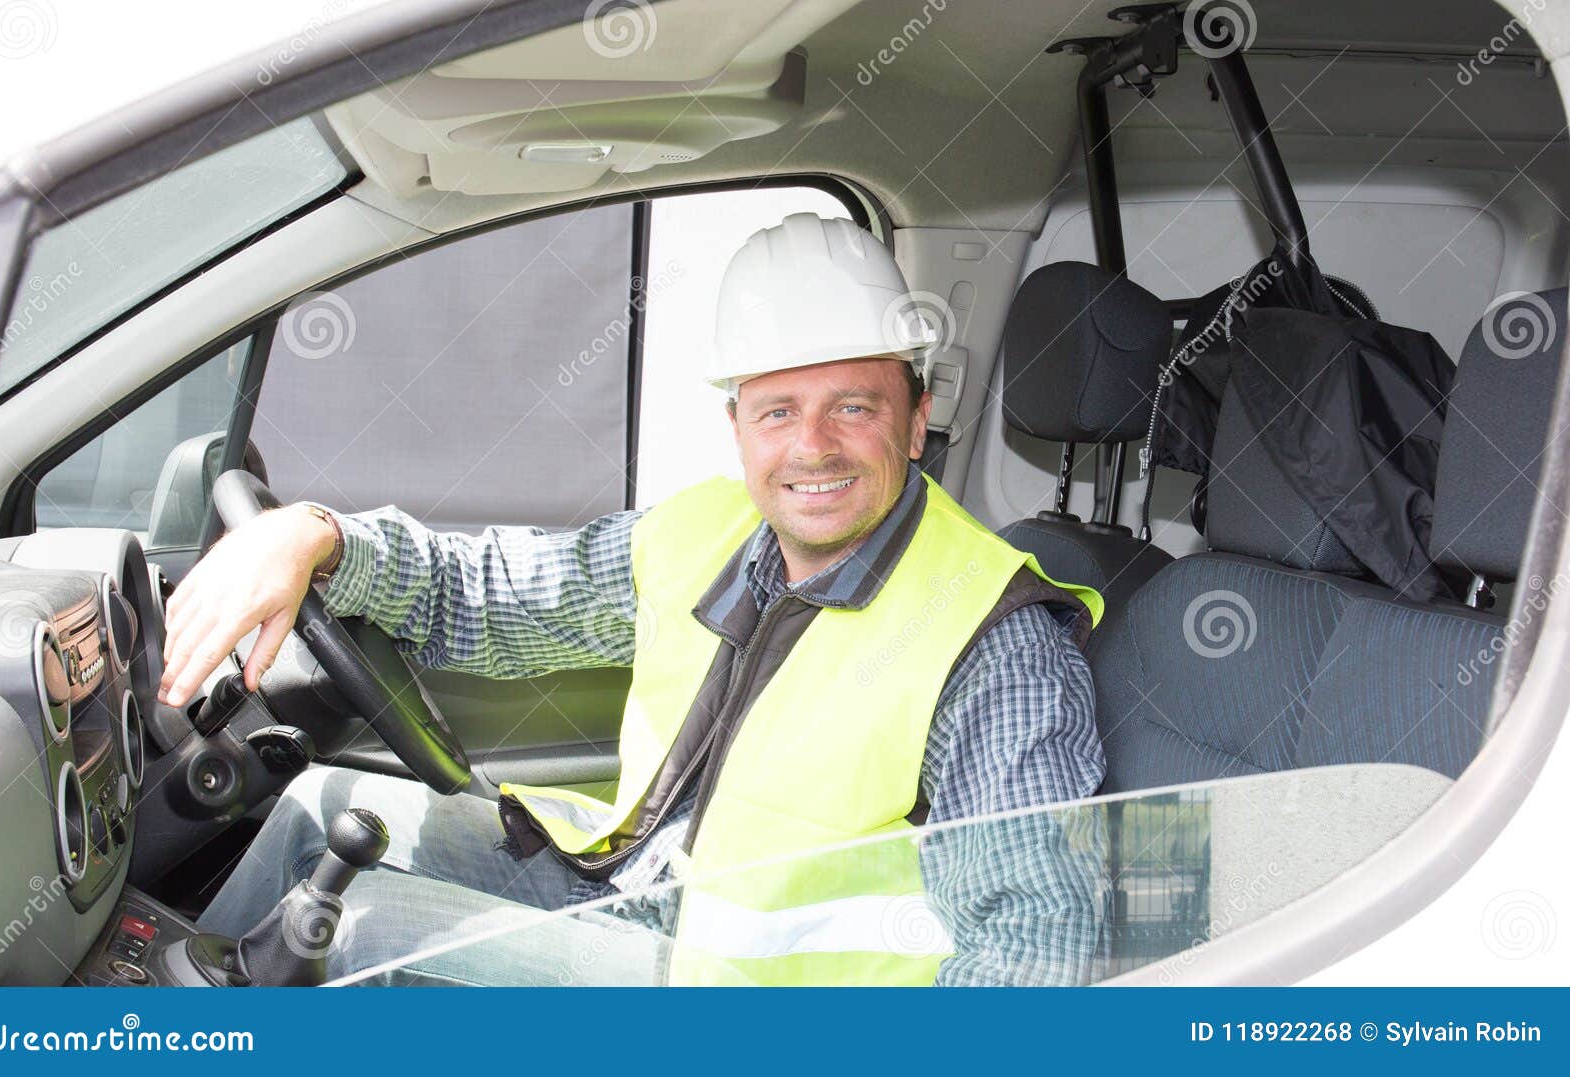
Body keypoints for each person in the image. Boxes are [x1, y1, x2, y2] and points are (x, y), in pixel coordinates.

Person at [168, 213, 1107, 985]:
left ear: (914, 420)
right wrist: (320, 536)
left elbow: (1035, 957)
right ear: (736, 425)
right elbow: (491, 593)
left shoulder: (997, 645)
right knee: (317, 802)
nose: (812, 445)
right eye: (778, 409)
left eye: (853, 406)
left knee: (350, 929)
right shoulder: (708, 532)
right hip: (627, 897)